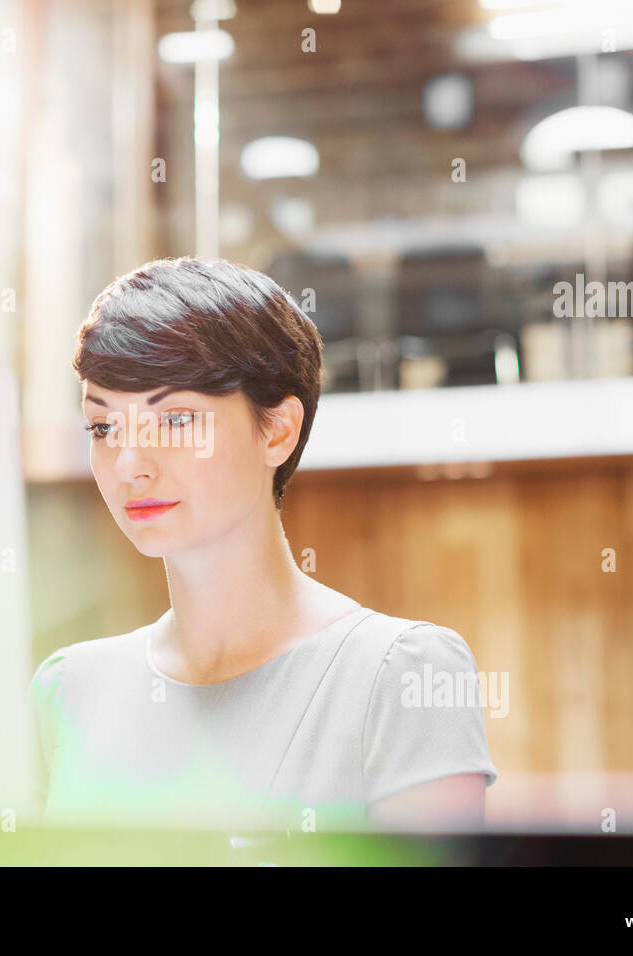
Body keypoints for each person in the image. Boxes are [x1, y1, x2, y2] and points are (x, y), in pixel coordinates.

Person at [27, 256, 498, 832]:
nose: (129, 465)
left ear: (277, 430)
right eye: (104, 427)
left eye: (175, 421)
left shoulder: (399, 676)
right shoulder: (68, 691)